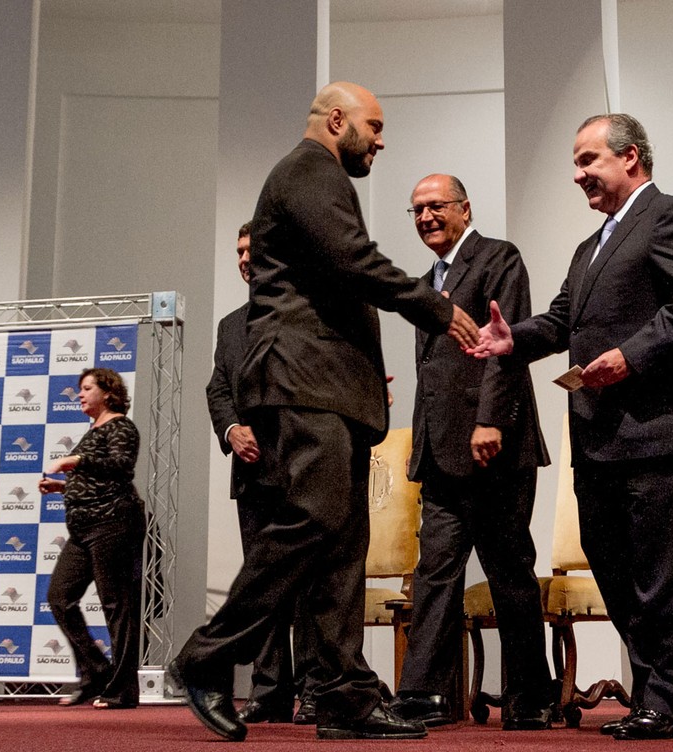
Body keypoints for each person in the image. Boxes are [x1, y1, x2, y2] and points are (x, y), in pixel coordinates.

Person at [171, 81, 479, 743]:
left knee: (342, 546)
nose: (381, 137)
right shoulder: (309, 171)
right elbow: (355, 261)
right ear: (336, 120)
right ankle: (208, 654)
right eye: (374, 124)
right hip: (303, 380)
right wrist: (437, 306)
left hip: (328, 385)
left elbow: (336, 275)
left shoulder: (318, 177)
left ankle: (344, 698)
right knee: (312, 519)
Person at [474, 114, 673, 740]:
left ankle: (664, 698)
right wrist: (514, 341)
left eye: (589, 160)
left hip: (660, 429)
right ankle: (665, 684)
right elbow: (561, 320)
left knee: (659, 571)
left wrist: (631, 355)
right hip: (598, 434)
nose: (578, 174)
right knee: (611, 562)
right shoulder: (590, 247)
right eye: (577, 163)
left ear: (631, 157)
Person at [388, 174, 553, 730]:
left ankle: (531, 695)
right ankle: (422, 694)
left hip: (494, 446)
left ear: (464, 208)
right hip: (440, 454)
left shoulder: (497, 258)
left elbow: (506, 349)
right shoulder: (423, 282)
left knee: (509, 571)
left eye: (435, 206)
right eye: (416, 211)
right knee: (434, 571)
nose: (425, 217)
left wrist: (488, 420)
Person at [205, 222, 318, 725]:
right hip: (252, 475)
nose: (244, 259)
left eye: (252, 249)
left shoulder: (308, 311)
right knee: (262, 584)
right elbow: (218, 389)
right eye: (238, 251)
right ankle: (270, 690)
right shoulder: (230, 325)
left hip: (305, 467)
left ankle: (317, 688)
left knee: (313, 584)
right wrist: (230, 429)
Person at [42, 368, 144, 710]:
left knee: (117, 606)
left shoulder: (120, 425)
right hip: (83, 529)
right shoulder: (93, 430)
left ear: (108, 392)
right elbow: (96, 477)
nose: (80, 394)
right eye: (79, 389)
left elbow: (120, 464)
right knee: (59, 597)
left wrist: (76, 460)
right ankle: (96, 672)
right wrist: (64, 486)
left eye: (87, 388)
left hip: (113, 522)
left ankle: (123, 689)